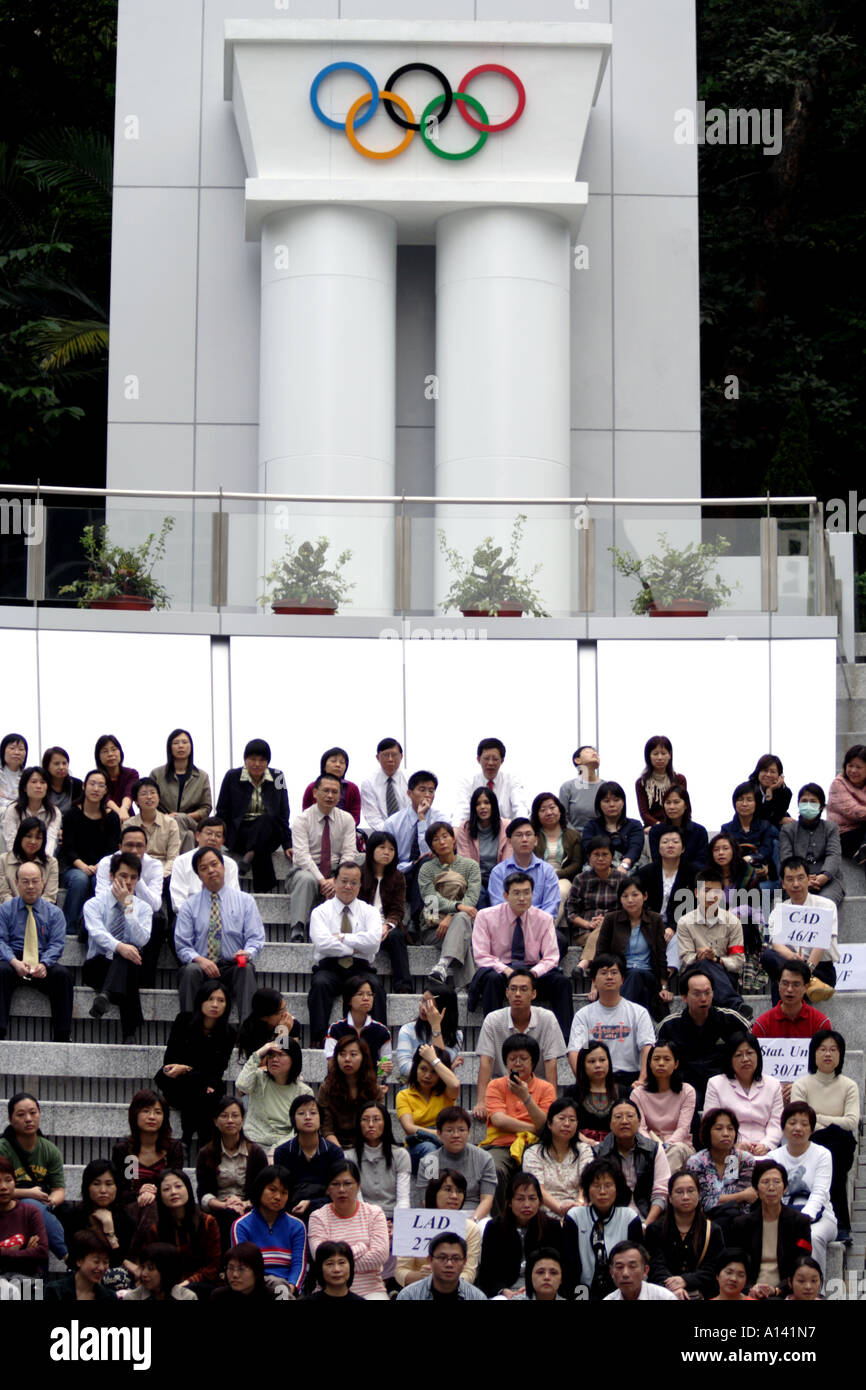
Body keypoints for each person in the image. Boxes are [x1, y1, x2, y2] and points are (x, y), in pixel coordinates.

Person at [469, 872, 573, 1040]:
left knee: (562, 982)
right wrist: (507, 971)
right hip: (501, 970)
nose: (522, 898)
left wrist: (533, 974)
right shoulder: (486, 916)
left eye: (527, 892)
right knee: (491, 979)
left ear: (533, 894)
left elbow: (551, 957)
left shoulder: (544, 918)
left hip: (532, 970)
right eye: (516, 893)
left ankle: (565, 1039)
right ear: (505, 895)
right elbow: (481, 955)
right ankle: (494, 1038)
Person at [174, 845, 265, 1021]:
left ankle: (246, 1031)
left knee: (246, 969)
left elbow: (256, 938)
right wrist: (200, 960)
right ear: (199, 875)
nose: (211, 870)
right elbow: (182, 945)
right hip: (202, 967)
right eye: (203, 868)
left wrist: (248, 952)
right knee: (189, 971)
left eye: (214, 864)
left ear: (223, 867)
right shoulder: (188, 906)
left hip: (232, 965)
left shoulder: (245, 901)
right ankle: (188, 1030)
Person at [791, 1028, 859, 1243]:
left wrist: (817, 1117)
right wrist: (823, 1121)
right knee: (828, 1146)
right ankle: (842, 1226)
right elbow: (799, 1122)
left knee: (838, 1138)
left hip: (841, 1144)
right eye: (823, 1049)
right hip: (810, 1142)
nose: (828, 1054)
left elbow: (851, 1122)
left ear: (840, 1055)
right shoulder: (802, 1085)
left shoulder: (849, 1085)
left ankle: (838, 1224)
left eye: (833, 1049)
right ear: (814, 1053)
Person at [308, 860, 385, 1047]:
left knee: (375, 986)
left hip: (360, 968)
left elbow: (374, 943)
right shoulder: (320, 912)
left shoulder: (370, 911)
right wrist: (358, 944)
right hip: (330, 967)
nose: (348, 886)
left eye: (354, 882)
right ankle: (319, 1039)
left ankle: (378, 1041)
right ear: (334, 881)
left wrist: (342, 938)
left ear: (360, 885)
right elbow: (323, 943)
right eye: (343, 881)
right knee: (319, 984)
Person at [154, 978, 237, 1147]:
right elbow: (170, 1061)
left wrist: (186, 1069)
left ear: (227, 1005)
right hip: (176, 1081)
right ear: (200, 1001)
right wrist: (189, 1071)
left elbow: (218, 1069)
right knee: (199, 1089)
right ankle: (204, 1143)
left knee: (204, 1091)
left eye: (221, 1001)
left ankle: (187, 1138)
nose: (215, 1004)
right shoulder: (184, 1021)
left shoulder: (228, 1033)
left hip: (205, 1083)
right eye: (210, 999)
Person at [474, 968, 565, 1121]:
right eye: (513, 989)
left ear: (533, 994)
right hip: (503, 1087)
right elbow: (486, 1061)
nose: (517, 994)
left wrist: (552, 1101)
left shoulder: (547, 1019)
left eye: (524, 989)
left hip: (537, 1088)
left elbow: (551, 1062)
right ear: (506, 993)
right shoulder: (493, 1020)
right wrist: (481, 1101)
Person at [657, 967, 751, 1107]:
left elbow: (752, 1051)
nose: (703, 999)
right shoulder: (669, 1026)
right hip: (684, 1089)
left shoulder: (732, 1020)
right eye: (696, 994)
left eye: (707, 993)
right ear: (684, 997)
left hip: (725, 1086)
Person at [82, 850, 151, 1040]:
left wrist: (128, 907)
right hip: (98, 966)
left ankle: (105, 996)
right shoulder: (93, 904)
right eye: (123, 876)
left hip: (127, 968)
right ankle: (131, 1032)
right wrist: (120, 947)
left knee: (129, 957)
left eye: (133, 877)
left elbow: (142, 939)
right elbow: (97, 934)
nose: (128, 882)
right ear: (112, 876)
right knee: (125, 953)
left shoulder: (143, 908)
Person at [479, 1034, 556, 1204]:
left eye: (523, 1059)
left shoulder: (546, 1088)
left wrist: (526, 1097)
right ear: (506, 1061)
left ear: (533, 1062)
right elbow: (499, 1121)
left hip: (535, 1145)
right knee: (493, 1167)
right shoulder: (495, 1085)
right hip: (501, 1144)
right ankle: (499, 1221)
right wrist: (533, 1128)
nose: (517, 1063)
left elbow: (545, 1123)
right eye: (512, 1059)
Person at [0, 860, 72, 1041]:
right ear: (16, 883)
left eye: (34, 881)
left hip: (41, 961)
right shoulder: (5, 910)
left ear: (43, 882)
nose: (30, 886)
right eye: (25, 881)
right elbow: (0, 940)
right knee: (1, 971)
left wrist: (44, 964)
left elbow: (57, 944)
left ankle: (62, 1035)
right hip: (14, 960)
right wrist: (13, 961)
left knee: (63, 975)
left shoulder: (54, 913)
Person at [215, 738, 292, 894]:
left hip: (270, 831)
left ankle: (250, 855)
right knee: (260, 845)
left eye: (262, 760)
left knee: (266, 818)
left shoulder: (278, 777)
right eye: (253, 759)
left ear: (268, 762)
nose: (257, 764)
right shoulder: (232, 776)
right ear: (245, 760)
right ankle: (261, 880)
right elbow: (222, 810)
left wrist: (287, 843)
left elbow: (283, 812)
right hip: (239, 833)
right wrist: (219, 835)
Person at [768, 1102, 836, 1274]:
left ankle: (815, 1291)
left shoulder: (822, 1154)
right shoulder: (772, 1157)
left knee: (813, 1236)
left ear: (812, 1129)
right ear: (783, 1127)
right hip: (782, 1215)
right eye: (792, 1123)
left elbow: (820, 1192)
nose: (798, 1128)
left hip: (820, 1217)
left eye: (804, 1124)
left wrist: (801, 1221)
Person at [567, 953, 654, 1088]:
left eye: (614, 972)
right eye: (603, 973)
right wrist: (584, 1082)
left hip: (630, 1078)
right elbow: (575, 1051)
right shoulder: (583, 1015)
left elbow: (647, 1047)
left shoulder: (638, 1012)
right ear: (594, 980)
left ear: (622, 979)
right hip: (595, 1078)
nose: (609, 977)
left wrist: (642, 1081)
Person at [730, 1159, 813, 1299]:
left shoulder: (800, 1223)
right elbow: (735, 1263)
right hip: (750, 1291)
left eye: (776, 1182)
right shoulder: (742, 1224)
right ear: (756, 1188)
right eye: (765, 1182)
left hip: (785, 1292)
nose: (771, 1187)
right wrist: (750, 1288)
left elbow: (802, 1262)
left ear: (785, 1187)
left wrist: (778, 1289)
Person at [563, 1158, 644, 1299]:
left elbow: (637, 1262)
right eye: (596, 1185)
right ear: (587, 1189)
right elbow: (571, 1268)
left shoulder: (629, 1218)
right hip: (583, 1290)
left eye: (608, 1185)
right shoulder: (574, 1217)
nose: (602, 1192)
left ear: (617, 1189)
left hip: (621, 1290)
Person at [476, 1171, 565, 1299]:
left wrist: (533, 1286)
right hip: (506, 1292)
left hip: (541, 1289)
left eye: (532, 1198)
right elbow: (487, 1273)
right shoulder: (495, 1227)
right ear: (510, 1202)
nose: (527, 1204)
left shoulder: (552, 1227)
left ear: (540, 1201)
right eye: (520, 1199)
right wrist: (503, 1291)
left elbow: (561, 1267)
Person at [308, 1160, 389, 1299]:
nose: (342, 1190)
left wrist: (336, 1263)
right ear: (328, 1188)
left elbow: (379, 1257)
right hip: (328, 1291)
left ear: (358, 1185)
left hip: (370, 1290)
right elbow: (320, 1257)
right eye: (335, 1184)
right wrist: (361, 1247)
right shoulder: (318, 1217)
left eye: (347, 1183)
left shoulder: (374, 1213)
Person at [127, 1168, 221, 1289]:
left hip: (199, 1284)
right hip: (165, 1286)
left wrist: (186, 1283)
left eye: (178, 1186)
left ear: (188, 1188)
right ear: (160, 1195)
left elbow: (213, 1265)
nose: (173, 1192)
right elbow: (149, 1263)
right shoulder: (155, 1229)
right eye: (166, 1189)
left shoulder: (208, 1222)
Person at [762, 857, 838, 1004]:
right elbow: (776, 943)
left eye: (800, 878)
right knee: (768, 957)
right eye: (790, 879)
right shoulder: (778, 910)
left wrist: (807, 969)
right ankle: (807, 983)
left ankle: (806, 980)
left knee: (783, 982)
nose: (796, 884)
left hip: (820, 970)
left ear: (808, 879)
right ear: (783, 883)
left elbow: (822, 941)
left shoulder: (826, 905)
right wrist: (792, 958)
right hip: (789, 964)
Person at [195, 1094, 268, 1249]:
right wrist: (223, 1205)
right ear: (215, 1121)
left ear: (242, 1121)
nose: (230, 1120)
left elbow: (264, 1190)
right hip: (218, 1208)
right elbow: (203, 1194)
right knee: (227, 1215)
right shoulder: (206, 1153)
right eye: (224, 1116)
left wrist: (244, 1203)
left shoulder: (256, 1153)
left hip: (249, 1208)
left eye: (235, 1116)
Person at [291, 774, 359, 938]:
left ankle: (348, 930)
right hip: (306, 870)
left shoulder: (347, 819)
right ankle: (298, 928)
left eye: (335, 792)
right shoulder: (302, 819)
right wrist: (323, 881)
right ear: (315, 793)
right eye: (326, 791)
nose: (330, 796)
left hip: (336, 870)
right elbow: (302, 856)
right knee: (306, 879)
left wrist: (336, 878)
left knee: (349, 879)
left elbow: (349, 852)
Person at [594, 875, 671, 1015]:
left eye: (635, 895)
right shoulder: (611, 919)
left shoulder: (655, 920)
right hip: (621, 974)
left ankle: (617, 1015)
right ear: (620, 899)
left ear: (645, 896)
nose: (630, 900)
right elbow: (601, 953)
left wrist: (664, 987)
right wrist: (595, 985)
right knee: (635, 983)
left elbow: (661, 956)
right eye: (625, 896)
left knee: (635, 975)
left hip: (648, 975)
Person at [0, 1093, 65, 1260]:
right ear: (10, 1119)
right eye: (21, 1114)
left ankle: (38, 1281)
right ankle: (66, 1256)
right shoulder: (3, 1149)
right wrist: (30, 1194)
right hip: (7, 1206)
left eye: (33, 1112)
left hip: (38, 1208)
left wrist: (49, 1202)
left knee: (36, 1219)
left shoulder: (50, 1150)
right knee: (32, 1207)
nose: (28, 1119)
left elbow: (59, 1190)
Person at [417, 820, 480, 987]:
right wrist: (457, 908)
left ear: (454, 839)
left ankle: (442, 965)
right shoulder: (427, 869)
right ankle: (469, 986)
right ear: (432, 846)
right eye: (436, 839)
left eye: (445, 836)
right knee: (463, 929)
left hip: (461, 922)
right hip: (433, 926)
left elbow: (472, 898)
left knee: (462, 920)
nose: (442, 842)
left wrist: (452, 917)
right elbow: (431, 899)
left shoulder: (471, 866)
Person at [644, 1170, 724, 1299]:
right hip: (662, 1293)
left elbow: (713, 1268)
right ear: (670, 1198)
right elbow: (655, 1266)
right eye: (679, 1192)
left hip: (703, 1293)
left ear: (698, 1195)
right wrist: (672, 1288)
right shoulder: (655, 1229)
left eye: (691, 1191)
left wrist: (686, 1280)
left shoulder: (712, 1230)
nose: (685, 1197)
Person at [396, 1170, 483, 1287]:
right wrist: (421, 1277)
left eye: (460, 1191)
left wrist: (446, 1279)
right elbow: (400, 1270)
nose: (454, 1196)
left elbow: (469, 1273)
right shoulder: (413, 1222)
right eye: (448, 1189)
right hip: (418, 1289)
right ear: (434, 1192)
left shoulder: (471, 1228)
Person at [59, 769, 120, 933]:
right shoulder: (72, 814)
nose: (96, 789)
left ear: (106, 790)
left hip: (103, 867)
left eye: (101, 785)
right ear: (84, 786)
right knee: (80, 880)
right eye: (92, 784)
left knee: (97, 882)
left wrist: (99, 867)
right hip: (74, 867)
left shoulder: (111, 817)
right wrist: (83, 867)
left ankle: (96, 928)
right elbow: (68, 848)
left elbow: (113, 849)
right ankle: (68, 929)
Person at [230, 1164, 307, 1292]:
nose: (278, 1197)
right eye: (272, 1190)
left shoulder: (297, 1226)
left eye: (284, 1192)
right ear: (260, 1189)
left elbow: (298, 1265)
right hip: (253, 1289)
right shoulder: (241, 1225)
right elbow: (242, 1265)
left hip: (286, 1290)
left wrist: (290, 1289)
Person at [704, 1032, 783, 1156]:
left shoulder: (773, 1084)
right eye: (738, 1055)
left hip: (765, 1150)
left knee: (768, 1174)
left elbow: (776, 1123)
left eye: (750, 1053)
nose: (745, 1059)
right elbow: (710, 1123)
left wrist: (766, 1145)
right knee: (733, 1173)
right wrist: (733, 1145)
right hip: (729, 1149)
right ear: (730, 1059)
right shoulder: (716, 1084)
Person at [676, 872, 746, 1011]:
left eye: (716, 891)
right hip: (694, 975)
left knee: (709, 963)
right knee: (704, 963)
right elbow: (685, 959)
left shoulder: (732, 922)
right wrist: (698, 956)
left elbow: (738, 961)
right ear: (696, 892)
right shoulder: (685, 922)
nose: (711, 896)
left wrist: (717, 959)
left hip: (724, 975)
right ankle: (736, 1006)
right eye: (706, 891)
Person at [596, 1098, 670, 1226]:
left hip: (648, 1217)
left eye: (630, 1116)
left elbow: (661, 1193)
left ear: (639, 1121)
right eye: (618, 1117)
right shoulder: (598, 1153)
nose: (624, 1121)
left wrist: (647, 1225)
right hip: (611, 1220)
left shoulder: (654, 1149)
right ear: (610, 1123)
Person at [61, 1161, 136, 1288]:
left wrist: (109, 1228)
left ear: (117, 1187)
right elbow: (72, 1260)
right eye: (96, 1184)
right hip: (81, 1273)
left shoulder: (125, 1220)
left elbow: (117, 1261)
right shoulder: (74, 1215)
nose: (103, 1190)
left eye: (109, 1184)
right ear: (87, 1187)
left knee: (116, 1276)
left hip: (113, 1276)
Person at [752, 958, 832, 1072]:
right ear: (778, 985)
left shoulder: (820, 1023)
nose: (789, 989)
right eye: (785, 983)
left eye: (796, 984)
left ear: (806, 987)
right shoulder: (762, 1024)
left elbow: (826, 1064)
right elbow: (755, 1065)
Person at [414, 1106, 496, 1217]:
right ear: (439, 1134)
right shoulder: (430, 1161)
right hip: (439, 1216)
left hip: (475, 1214)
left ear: (469, 1132)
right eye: (449, 1130)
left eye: (461, 1130)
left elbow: (487, 1199)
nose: (456, 1135)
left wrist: (474, 1220)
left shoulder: (484, 1158)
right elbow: (427, 1200)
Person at [234, 1036, 313, 1151]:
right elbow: (241, 1085)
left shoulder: (304, 1092)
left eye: (280, 1055)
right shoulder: (258, 1078)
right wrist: (258, 1053)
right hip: (253, 1144)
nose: (274, 1059)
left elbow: (299, 1128)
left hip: (285, 1148)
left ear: (293, 1059)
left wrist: (277, 1149)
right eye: (271, 1055)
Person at [111, 1089, 184, 1211]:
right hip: (131, 1207)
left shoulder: (173, 1149)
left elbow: (175, 1184)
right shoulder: (124, 1150)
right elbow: (121, 1189)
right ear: (135, 1115)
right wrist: (140, 1193)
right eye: (146, 1111)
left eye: (158, 1112)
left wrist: (153, 1193)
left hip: (165, 1206)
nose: (152, 1117)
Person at [273, 1096, 344, 1221]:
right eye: (301, 1113)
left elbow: (337, 1190)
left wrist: (312, 1203)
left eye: (313, 1113)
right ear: (293, 1119)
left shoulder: (334, 1152)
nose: (307, 1117)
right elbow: (282, 1189)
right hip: (292, 1211)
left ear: (320, 1118)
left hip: (327, 1210)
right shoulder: (282, 1152)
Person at [358, 829, 411, 994]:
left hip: (386, 927)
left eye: (391, 849)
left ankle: (404, 986)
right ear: (372, 848)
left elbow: (397, 909)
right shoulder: (359, 873)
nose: (387, 852)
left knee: (397, 937)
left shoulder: (398, 877)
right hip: (363, 926)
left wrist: (387, 926)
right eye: (382, 847)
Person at [522, 1098, 593, 1219]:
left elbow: (587, 1182)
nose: (567, 1124)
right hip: (544, 1214)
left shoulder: (584, 1150)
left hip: (579, 1211)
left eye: (572, 1120)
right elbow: (538, 1188)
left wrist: (579, 1204)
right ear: (549, 1123)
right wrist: (561, 1210)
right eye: (561, 1118)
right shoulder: (533, 1153)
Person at [395, 1043, 460, 1174]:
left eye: (434, 1072)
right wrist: (437, 1134)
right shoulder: (404, 1095)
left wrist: (433, 1059)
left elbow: (454, 1084)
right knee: (430, 1149)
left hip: (445, 1144)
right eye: (423, 1069)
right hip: (418, 1147)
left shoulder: (446, 1093)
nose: (427, 1075)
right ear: (415, 1069)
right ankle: (432, 1188)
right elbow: (409, 1127)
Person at [633, 1041, 696, 1173]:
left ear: (676, 1064)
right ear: (649, 1063)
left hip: (680, 1146)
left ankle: (661, 1191)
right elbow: (641, 1128)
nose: (661, 1063)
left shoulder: (687, 1091)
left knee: (676, 1150)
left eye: (667, 1059)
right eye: (656, 1059)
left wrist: (667, 1145)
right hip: (649, 1146)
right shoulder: (638, 1093)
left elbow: (683, 1128)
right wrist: (655, 1146)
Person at [686, 1109, 757, 1227]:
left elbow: (744, 1204)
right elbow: (703, 1202)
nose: (726, 1133)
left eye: (730, 1129)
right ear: (707, 1132)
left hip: (739, 1222)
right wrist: (741, 1196)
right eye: (719, 1128)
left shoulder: (743, 1160)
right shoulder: (697, 1162)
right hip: (706, 1223)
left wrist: (737, 1197)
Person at [778, 783, 845, 905]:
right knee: (795, 902)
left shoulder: (831, 827)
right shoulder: (788, 829)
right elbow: (786, 858)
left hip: (828, 880)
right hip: (795, 879)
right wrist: (802, 879)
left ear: (821, 806)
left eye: (813, 801)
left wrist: (824, 877)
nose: (808, 805)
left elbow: (833, 854)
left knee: (825, 903)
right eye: (804, 801)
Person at [343, 1101, 411, 1220]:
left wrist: (399, 1224)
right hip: (362, 1219)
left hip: (394, 1217)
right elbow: (356, 1198)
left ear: (386, 1123)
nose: (370, 1124)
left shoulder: (400, 1155)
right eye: (365, 1119)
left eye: (376, 1119)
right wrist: (375, 1224)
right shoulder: (348, 1157)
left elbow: (403, 1198)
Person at [149, 728, 212, 851]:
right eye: (176, 743)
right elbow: (149, 802)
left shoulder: (202, 776)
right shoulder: (157, 774)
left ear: (191, 746)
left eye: (184, 742)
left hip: (193, 824)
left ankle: (171, 858)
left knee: (180, 820)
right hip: (162, 822)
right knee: (188, 836)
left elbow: (206, 808)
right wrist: (167, 817)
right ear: (170, 747)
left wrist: (182, 817)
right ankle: (183, 865)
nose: (181, 746)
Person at [567, 836, 627, 960]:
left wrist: (606, 921)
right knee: (602, 937)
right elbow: (571, 912)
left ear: (612, 857)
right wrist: (588, 924)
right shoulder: (581, 879)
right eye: (596, 854)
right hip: (585, 931)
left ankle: (584, 964)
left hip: (614, 928)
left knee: (605, 929)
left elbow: (627, 909)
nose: (600, 858)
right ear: (589, 857)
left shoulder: (621, 879)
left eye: (605, 854)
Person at [317, 1035, 382, 1149]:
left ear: (363, 1058)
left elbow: (377, 1124)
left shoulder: (374, 1089)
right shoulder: (327, 1088)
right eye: (342, 1054)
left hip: (365, 1145)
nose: (347, 1059)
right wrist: (340, 1153)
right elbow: (326, 1129)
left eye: (353, 1054)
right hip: (334, 1146)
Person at [487, 819, 561, 918]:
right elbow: (498, 906)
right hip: (508, 927)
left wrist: (534, 925)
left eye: (528, 834)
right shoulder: (498, 872)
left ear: (536, 841)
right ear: (509, 842)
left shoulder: (547, 871)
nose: (524, 839)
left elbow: (551, 906)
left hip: (540, 926)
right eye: (519, 835)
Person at [382, 769, 448, 879]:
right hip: (400, 874)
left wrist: (421, 819)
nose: (427, 795)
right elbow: (387, 861)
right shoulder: (393, 823)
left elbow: (428, 856)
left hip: (433, 875)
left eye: (431, 791)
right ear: (409, 793)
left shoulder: (441, 821)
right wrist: (412, 865)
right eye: (422, 790)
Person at [451, 736, 528, 824]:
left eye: (495, 759)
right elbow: (461, 809)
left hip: (506, 832)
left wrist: (523, 826)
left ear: (502, 761)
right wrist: (456, 829)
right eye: (486, 759)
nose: (490, 763)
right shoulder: (468, 782)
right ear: (478, 759)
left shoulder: (512, 781)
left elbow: (520, 807)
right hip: (477, 832)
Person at [395, 982, 463, 1082]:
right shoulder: (407, 1030)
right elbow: (405, 1068)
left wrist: (436, 1027)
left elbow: (442, 1064)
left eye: (429, 1005)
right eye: (422, 1001)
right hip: (412, 1093)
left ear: (443, 1009)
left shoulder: (456, 1035)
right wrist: (446, 1069)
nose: (423, 1008)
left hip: (440, 1094)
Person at [563, 1041, 629, 1144]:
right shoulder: (572, 1092)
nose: (598, 1065)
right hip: (581, 1145)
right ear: (583, 1065)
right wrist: (585, 1140)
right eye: (592, 1061)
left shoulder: (623, 1091)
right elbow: (565, 1122)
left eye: (602, 1060)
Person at [169, 817, 239, 912]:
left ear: (223, 841)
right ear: (197, 836)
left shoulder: (230, 865)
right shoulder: (181, 861)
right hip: (189, 916)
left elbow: (234, 897)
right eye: (209, 834)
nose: (213, 838)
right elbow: (178, 901)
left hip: (222, 915)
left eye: (218, 835)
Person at [455, 787, 510, 904]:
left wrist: (496, 881)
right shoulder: (465, 828)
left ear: (493, 805)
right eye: (478, 804)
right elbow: (465, 863)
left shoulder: (506, 826)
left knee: (498, 895)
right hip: (474, 878)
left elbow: (507, 861)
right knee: (479, 894)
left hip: (499, 877)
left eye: (486, 802)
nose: (482, 807)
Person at [397, 1229, 488, 1301]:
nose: (449, 1264)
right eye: (442, 1257)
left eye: (456, 1258)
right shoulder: (409, 1295)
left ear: (464, 1262)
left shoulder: (476, 1297)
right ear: (430, 1260)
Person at [322, 974, 393, 1067]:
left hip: (370, 1080)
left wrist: (385, 1069)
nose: (366, 998)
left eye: (370, 994)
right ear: (349, 1000)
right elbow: (332, 1064)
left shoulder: (382, 1031)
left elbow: (385, 1065)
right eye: (360, 994)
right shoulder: (335, 1029)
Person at [638, 825, 697, 932]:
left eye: (675, 842)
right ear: (659, 848)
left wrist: (674, 927)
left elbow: (697, 906)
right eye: (665, 842)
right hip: (648, 925)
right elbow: (639, 902)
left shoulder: (695, 873)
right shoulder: (645, 873)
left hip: (683, 928)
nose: (670, 845)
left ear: (683, 848)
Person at [721, 781, 780, 886]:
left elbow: (766, 850)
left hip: (764, 876)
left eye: (749, 800)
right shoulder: (726, 829)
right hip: (736, 876)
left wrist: (752, 859)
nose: (744, 804)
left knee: (760, 892)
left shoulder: (765, 826)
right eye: (740, 800)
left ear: (756, 803)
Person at [530, 792, 583, 907]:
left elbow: (577, 864)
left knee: (560, 891)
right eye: (543, 810)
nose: (549, 813)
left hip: (563, 878)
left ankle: (548, 924)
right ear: (537, 815)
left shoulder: (573, 836)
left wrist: (556, 874)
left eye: (552, 807)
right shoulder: (532, 836)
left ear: (560, 810)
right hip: (537, 878)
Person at [0, 1152, 48, 1278]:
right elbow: (33, 1254)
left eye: (8, 1180)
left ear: (15, 1182)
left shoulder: (30, 1212)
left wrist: (3, 1253)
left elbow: (42, 1252)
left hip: (28, 1278)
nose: (3, 1187)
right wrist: (25, 1251)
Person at [126, 776, 181, 880]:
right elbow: (126, 856)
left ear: (159, 797)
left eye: (152, 793)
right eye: (144, 794)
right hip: (136, 872)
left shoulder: (170, 823)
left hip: (163, 873)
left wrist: (161, 877)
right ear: (136, 801)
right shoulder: (129, 825)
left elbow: (173, 858)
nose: (149, 797)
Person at [581, 781, 643, 871]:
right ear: (599, 804)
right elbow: (588, 850)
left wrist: (624, 865)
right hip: (598, 867)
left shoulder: (634, 825)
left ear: (623, 803)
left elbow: (635, 849)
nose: (612, 805)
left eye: (616, 800)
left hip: (626, 867)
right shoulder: (591, 826)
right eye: (606, 801)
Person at [3, 765, 60, 857]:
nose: (38, 786)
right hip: (17, 858)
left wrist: (41, 861)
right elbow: (11, 841)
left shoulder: (54, 812)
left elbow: (51, 839)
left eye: (43, 782)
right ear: (24, 787)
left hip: (43, 858)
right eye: (34, 782)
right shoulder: (13, 810)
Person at [44, 1229, 116, 1303]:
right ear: (79, 1261)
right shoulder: (55, 1292)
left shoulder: (110, 1297)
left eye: (105, 1262)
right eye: (96, 1262)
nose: (101, 1268)